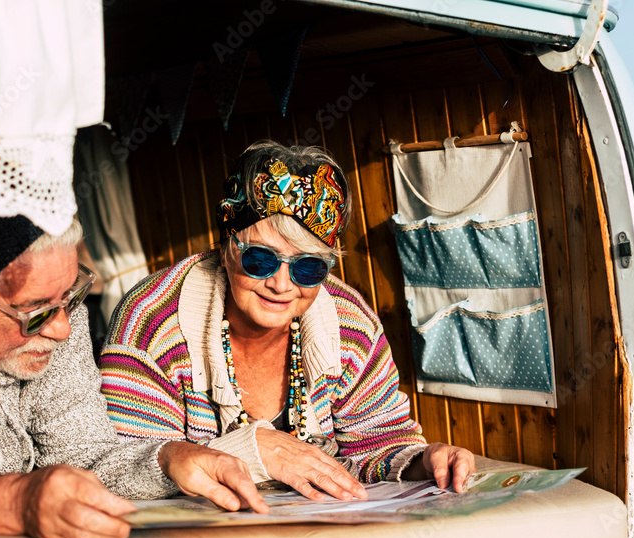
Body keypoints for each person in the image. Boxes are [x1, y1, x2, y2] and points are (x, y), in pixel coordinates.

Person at [100, 141, 475, 501]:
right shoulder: (150, 321)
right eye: (260, 260)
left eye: (308, 267)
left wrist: (420, 462)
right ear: (227, 247)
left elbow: (378, 444)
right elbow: (123, 470)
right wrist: (255, 449)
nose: (281, 284)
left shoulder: (350, 325)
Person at [0, 203, 268, 538]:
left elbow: (83, 456)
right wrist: (12, 504)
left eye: (71, 295)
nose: (63, 329)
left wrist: (166, 460)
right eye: (36, 310)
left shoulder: (59, 313)